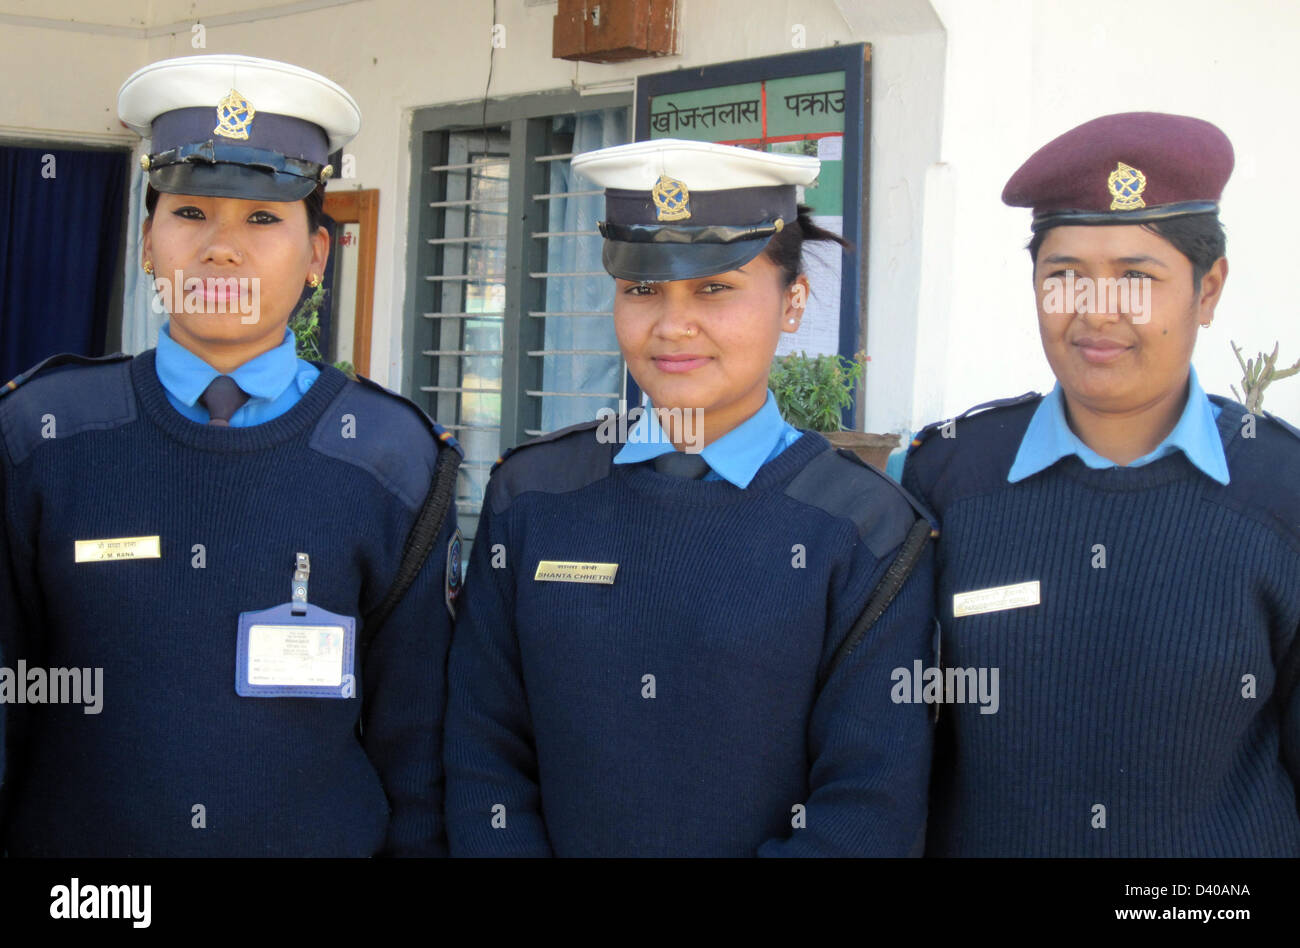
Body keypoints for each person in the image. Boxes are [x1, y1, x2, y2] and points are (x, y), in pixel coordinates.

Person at [0, 55, 461, 856]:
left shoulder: (391, 459)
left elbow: (415, 744)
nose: (221, 250)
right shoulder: (42, 433)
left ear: (317, 255)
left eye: (262, 218)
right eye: (191, 213)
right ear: (147, 242)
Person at [444, 138, 936, 856]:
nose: (673, 326)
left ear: (792, 301)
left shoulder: (866, 528)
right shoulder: (534, 496)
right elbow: (482, 750)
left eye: (715, 287)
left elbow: (868, 805)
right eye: (643, 289)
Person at [903, 111, 1300, 856]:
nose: (1094, 312)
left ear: (1207, 290)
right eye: (1064, 278)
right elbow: (901, 742)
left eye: (1138, 279)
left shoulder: (1283, 493)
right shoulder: (951, 478)